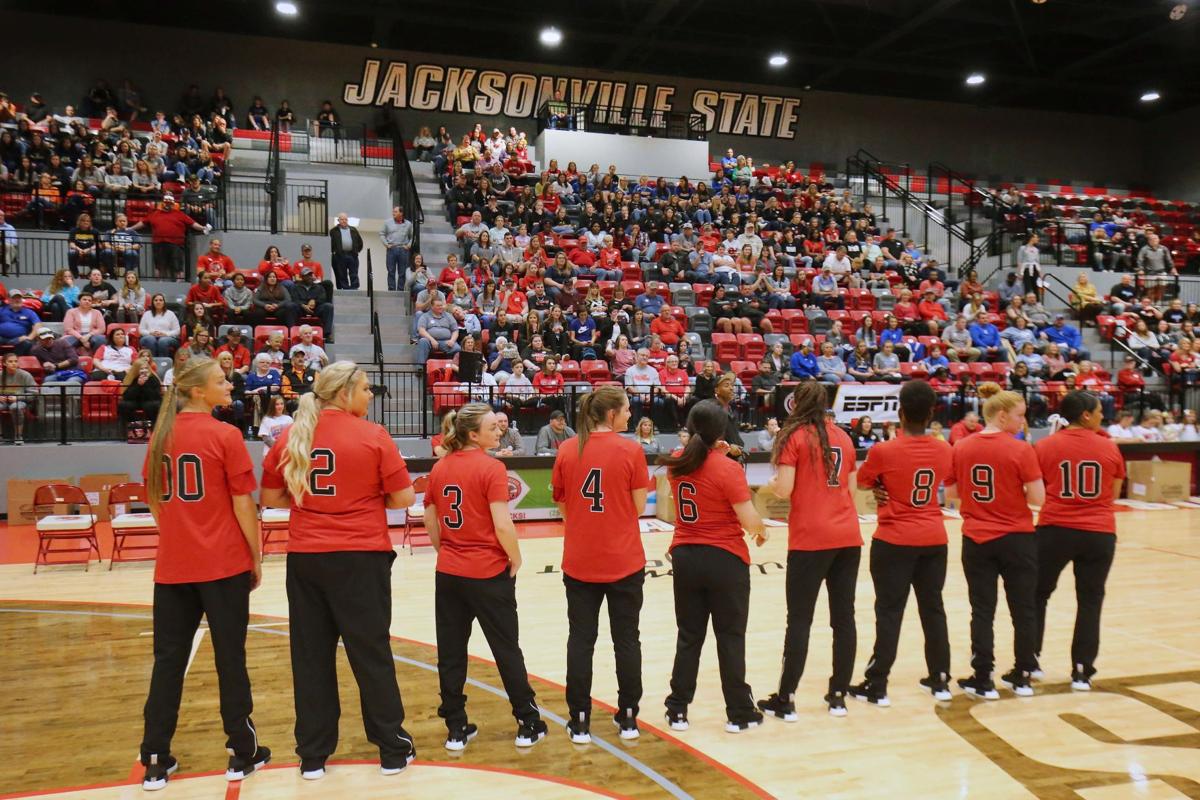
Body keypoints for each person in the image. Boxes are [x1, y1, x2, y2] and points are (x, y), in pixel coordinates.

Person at [260, 361, 418, 779]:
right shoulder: (373, 435)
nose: (370, 396)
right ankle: (391, 750)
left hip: (307, 559)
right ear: (344, 392)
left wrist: (313, 504)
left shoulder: (293, 435)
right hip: (360, 558)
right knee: (371, 654)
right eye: (366, 389)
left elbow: (272, 497)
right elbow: (403, 498)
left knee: (310, 657)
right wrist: (363, 500)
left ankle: (312, 755)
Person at [138, 356, 270, 791]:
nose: (229, 384)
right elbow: (242, 505)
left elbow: (157, 503)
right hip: (223, 565)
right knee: (230, 659)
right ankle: (241, 752)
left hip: (173, 567)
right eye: (220, 380)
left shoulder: (161, 437)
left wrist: (181, 534)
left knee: (167, 663)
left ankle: (155, 757)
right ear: (198, 391)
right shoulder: (225, 435)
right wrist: (255, 556)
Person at [422, 404, 549, 749]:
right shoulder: (492, 467)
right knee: (506, 648)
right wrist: (516, 557)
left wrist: (446, 551)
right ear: (472, 434)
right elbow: (502, 523)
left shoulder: (440, 468)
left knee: (450, 652)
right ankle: (528, 721)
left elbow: (430, 521)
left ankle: (455, 728)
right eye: (492, 427)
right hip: (488, 572)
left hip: (449, 572)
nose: (498, 431)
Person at [551, 386, 652, 743]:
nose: (630, 415)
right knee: (627, 640)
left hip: (580, 560)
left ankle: (579, 719)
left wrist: (585, 522)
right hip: (624, 560)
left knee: (581, 639)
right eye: (626, 410)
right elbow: (639, 507)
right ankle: (627, 718)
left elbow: (562, 506)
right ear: (611, 414)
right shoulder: (630, 450)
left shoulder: (567, 449)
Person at [660, 401, 767, 733]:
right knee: (730, 637)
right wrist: (761, 531)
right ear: (722, 432)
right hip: (724, 558)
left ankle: (677, 709)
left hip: (687, 556)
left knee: (689, 636)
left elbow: (698, 458)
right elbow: (750, 520)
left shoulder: (677, 462)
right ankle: (738, 712)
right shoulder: (728, 468)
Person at [756, 381, 861, 720]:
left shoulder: (795, 436)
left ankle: (786, 699)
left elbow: (784, 489)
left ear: (796, 403)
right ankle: (838, 695)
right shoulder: (844, 437)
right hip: (847, 535)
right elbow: (852, 489)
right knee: (844, 619)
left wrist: (770, 486)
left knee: (799, 621)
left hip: (811, 538)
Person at [848, 380, 954, 705]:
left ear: (900, 411)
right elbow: (947, 482)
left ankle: (877, 685)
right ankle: (940, 679)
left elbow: (863, 482)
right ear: (932, 412)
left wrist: (883, 484)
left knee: (890, 612)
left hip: (895, 539)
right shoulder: (944, 448)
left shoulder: (884, 450)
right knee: (933, 609)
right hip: (935, 537)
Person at [946, 383, 1045, 699]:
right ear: (1002, 416)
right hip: (1017, 538)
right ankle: (1023, 674)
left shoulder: (960, 447)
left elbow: (950, 496)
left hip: (977, 539)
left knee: (982, 610)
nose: (1022, 423)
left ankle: (983, 676)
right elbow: (1038, 499)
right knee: (1023, 609)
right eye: (1019, 416)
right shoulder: (1021, 449)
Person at [1033, 391, 1125, 691]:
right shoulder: (1109, 448)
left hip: (1055, 529)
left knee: (1036, 595)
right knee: (1090, 600)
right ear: (1085, 415)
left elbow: (1037, 490)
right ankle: (1082, 670)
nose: (1102, 416)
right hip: (1099, 532)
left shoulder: (1044, 445)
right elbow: (1114, 492)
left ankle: (1030, 659)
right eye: (1099, 411)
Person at [128, 194, 210, 280]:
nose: (168, 204)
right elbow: (143, 223)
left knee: (177, 266)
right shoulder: (154, 214)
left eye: (170, 203)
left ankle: (179, 283)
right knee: (159, 266)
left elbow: (192, 223)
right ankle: (159, 283)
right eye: (166, 203)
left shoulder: (180, 214)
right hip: (159, 243)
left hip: (176, 244)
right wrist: (131, 228)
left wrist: (203, 228)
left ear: (173, 204)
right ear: (163, 203)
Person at [0, 352, 35, 444]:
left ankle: (18, 435)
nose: (14, 363)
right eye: (10, 361)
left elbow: (33, 393)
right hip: (3, 401)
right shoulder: (0, 375)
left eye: (15, 361)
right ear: (4, 363)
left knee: (15, 407)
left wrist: (17, 398)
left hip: (20, 401)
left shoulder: (25, 375)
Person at [380, 206, 413, 291]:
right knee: (391, 271)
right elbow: (382, 234)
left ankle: (400, 290)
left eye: (395, 212)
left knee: (402, 272)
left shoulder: (408, 224)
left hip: (403, 250)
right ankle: (391, 290)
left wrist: (409, 245)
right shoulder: (387, 223)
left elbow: (413, 237)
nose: (393, 213)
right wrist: (386, 244)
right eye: (393, 211)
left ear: (401, 213)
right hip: (391, 249)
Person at [329, 213, 364, 290]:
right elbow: (330, 244)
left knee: (354, 273)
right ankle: (345, 289)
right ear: (338, 220)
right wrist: (334, 252)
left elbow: (360, 242)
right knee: (342, 274)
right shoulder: (333, 231)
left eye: (345, 219)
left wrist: (356, 251)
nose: (344, 221)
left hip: (352, 255)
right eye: (342, 219)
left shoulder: (353, 230)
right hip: (340, 255)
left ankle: (354, 288)